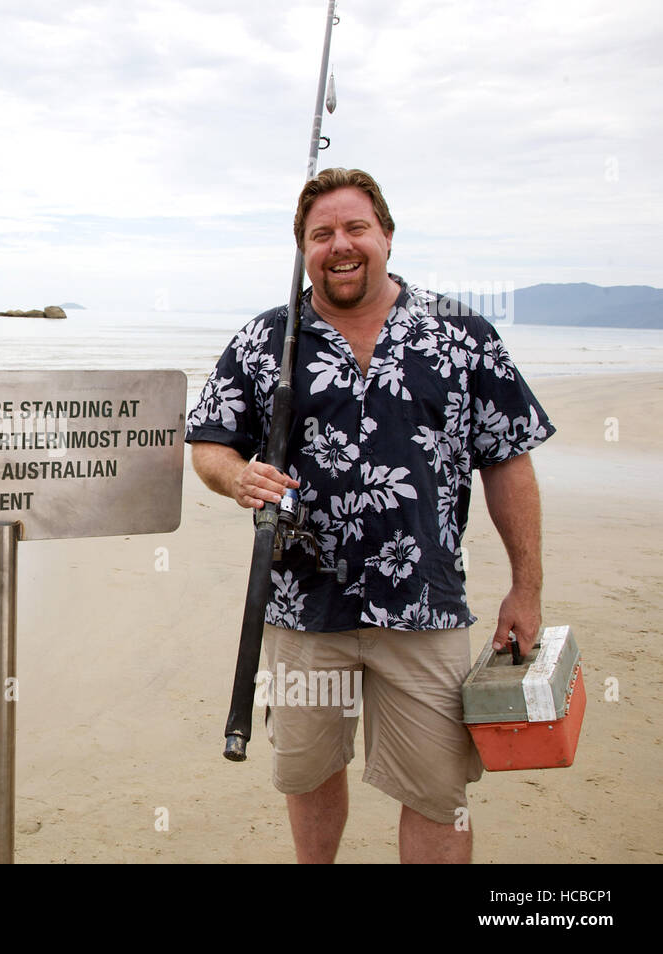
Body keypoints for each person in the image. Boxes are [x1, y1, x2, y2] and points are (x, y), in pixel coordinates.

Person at [186, 167, 553, 864]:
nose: (340, 245)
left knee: (438, 792)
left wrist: (525, 587)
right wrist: (237, 476)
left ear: (386, 234)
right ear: (303, 248)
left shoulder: (461, 332)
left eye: (356, 227)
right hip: (299, 606)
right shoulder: (266, 338)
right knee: (309, 774)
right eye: (321, 233)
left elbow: (507, 459)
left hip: (425, 607)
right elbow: (209, 442)